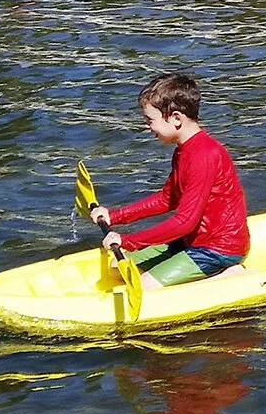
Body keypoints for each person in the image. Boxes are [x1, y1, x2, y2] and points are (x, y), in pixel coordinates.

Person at [89, 73, 251, 288]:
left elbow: (185, 222)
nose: (148, 128)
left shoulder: (205, 155)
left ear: (176, 118)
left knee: (142, 287)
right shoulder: (183, 151)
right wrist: (113, 216)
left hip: (218, 248)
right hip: (191, 241)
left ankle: (230, 274)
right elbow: (168, 198)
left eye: (150, 121)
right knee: (118, 268)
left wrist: (128, 241)